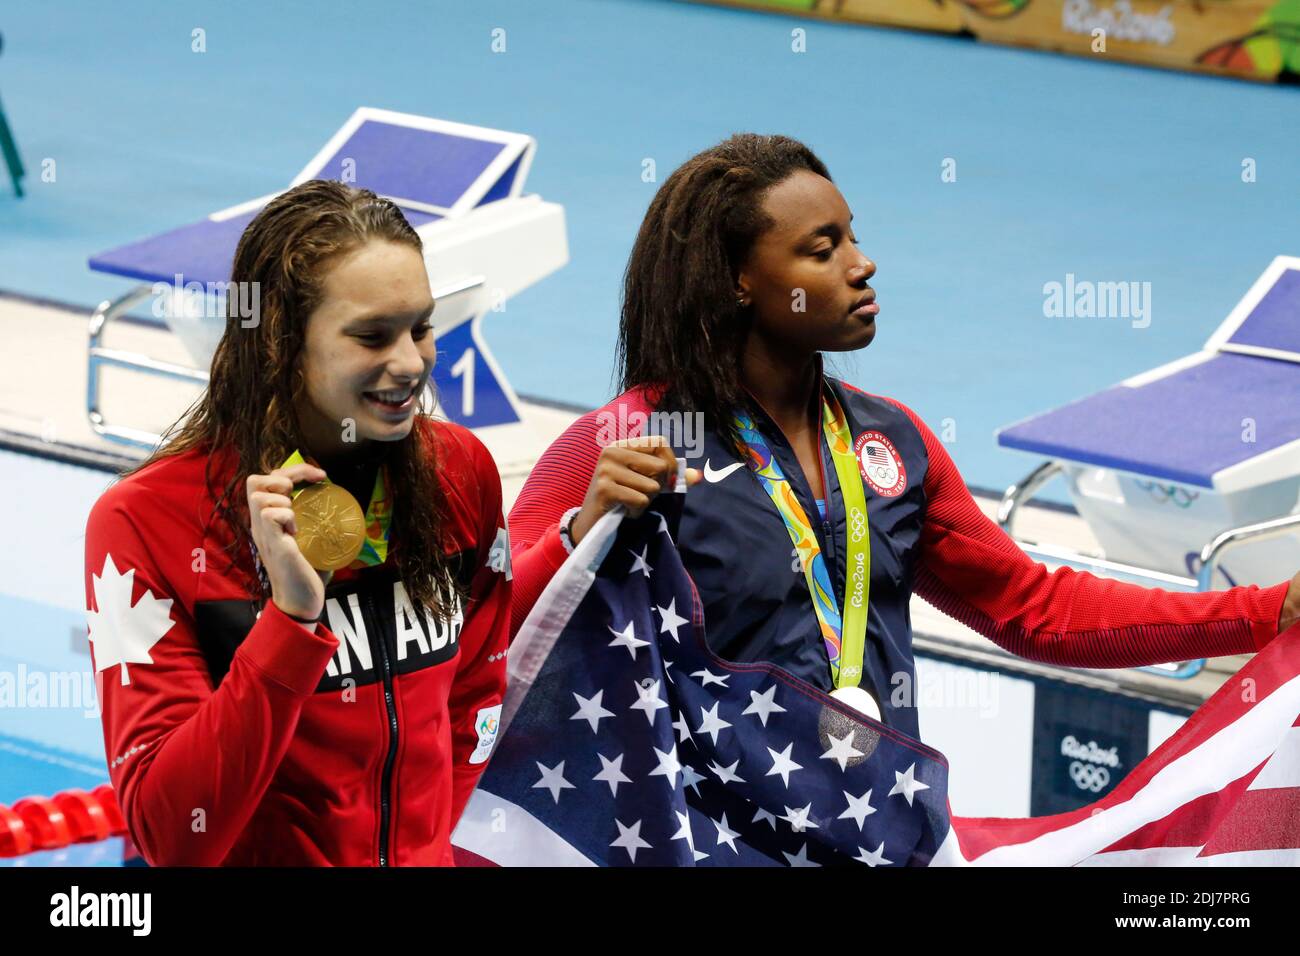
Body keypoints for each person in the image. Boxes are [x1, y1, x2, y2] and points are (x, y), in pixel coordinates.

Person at [508, 133, 1300, 737]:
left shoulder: (890, 442)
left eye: (852, 236)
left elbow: (1033, 611)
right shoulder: (632, 440)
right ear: (737, 282)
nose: (863, 265)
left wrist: (1271, 610)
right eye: (824, 250)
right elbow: (489, 629)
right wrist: (578, 532)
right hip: (700, 838)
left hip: (873, 826)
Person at [83, 181, 511, 866]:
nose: (410, 362)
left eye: (420, 327)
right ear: (282, 339)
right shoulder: (145, 521)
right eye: (372, 335)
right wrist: (287, 626)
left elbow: (478, 697)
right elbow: (173, 836)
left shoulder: (460, 472)